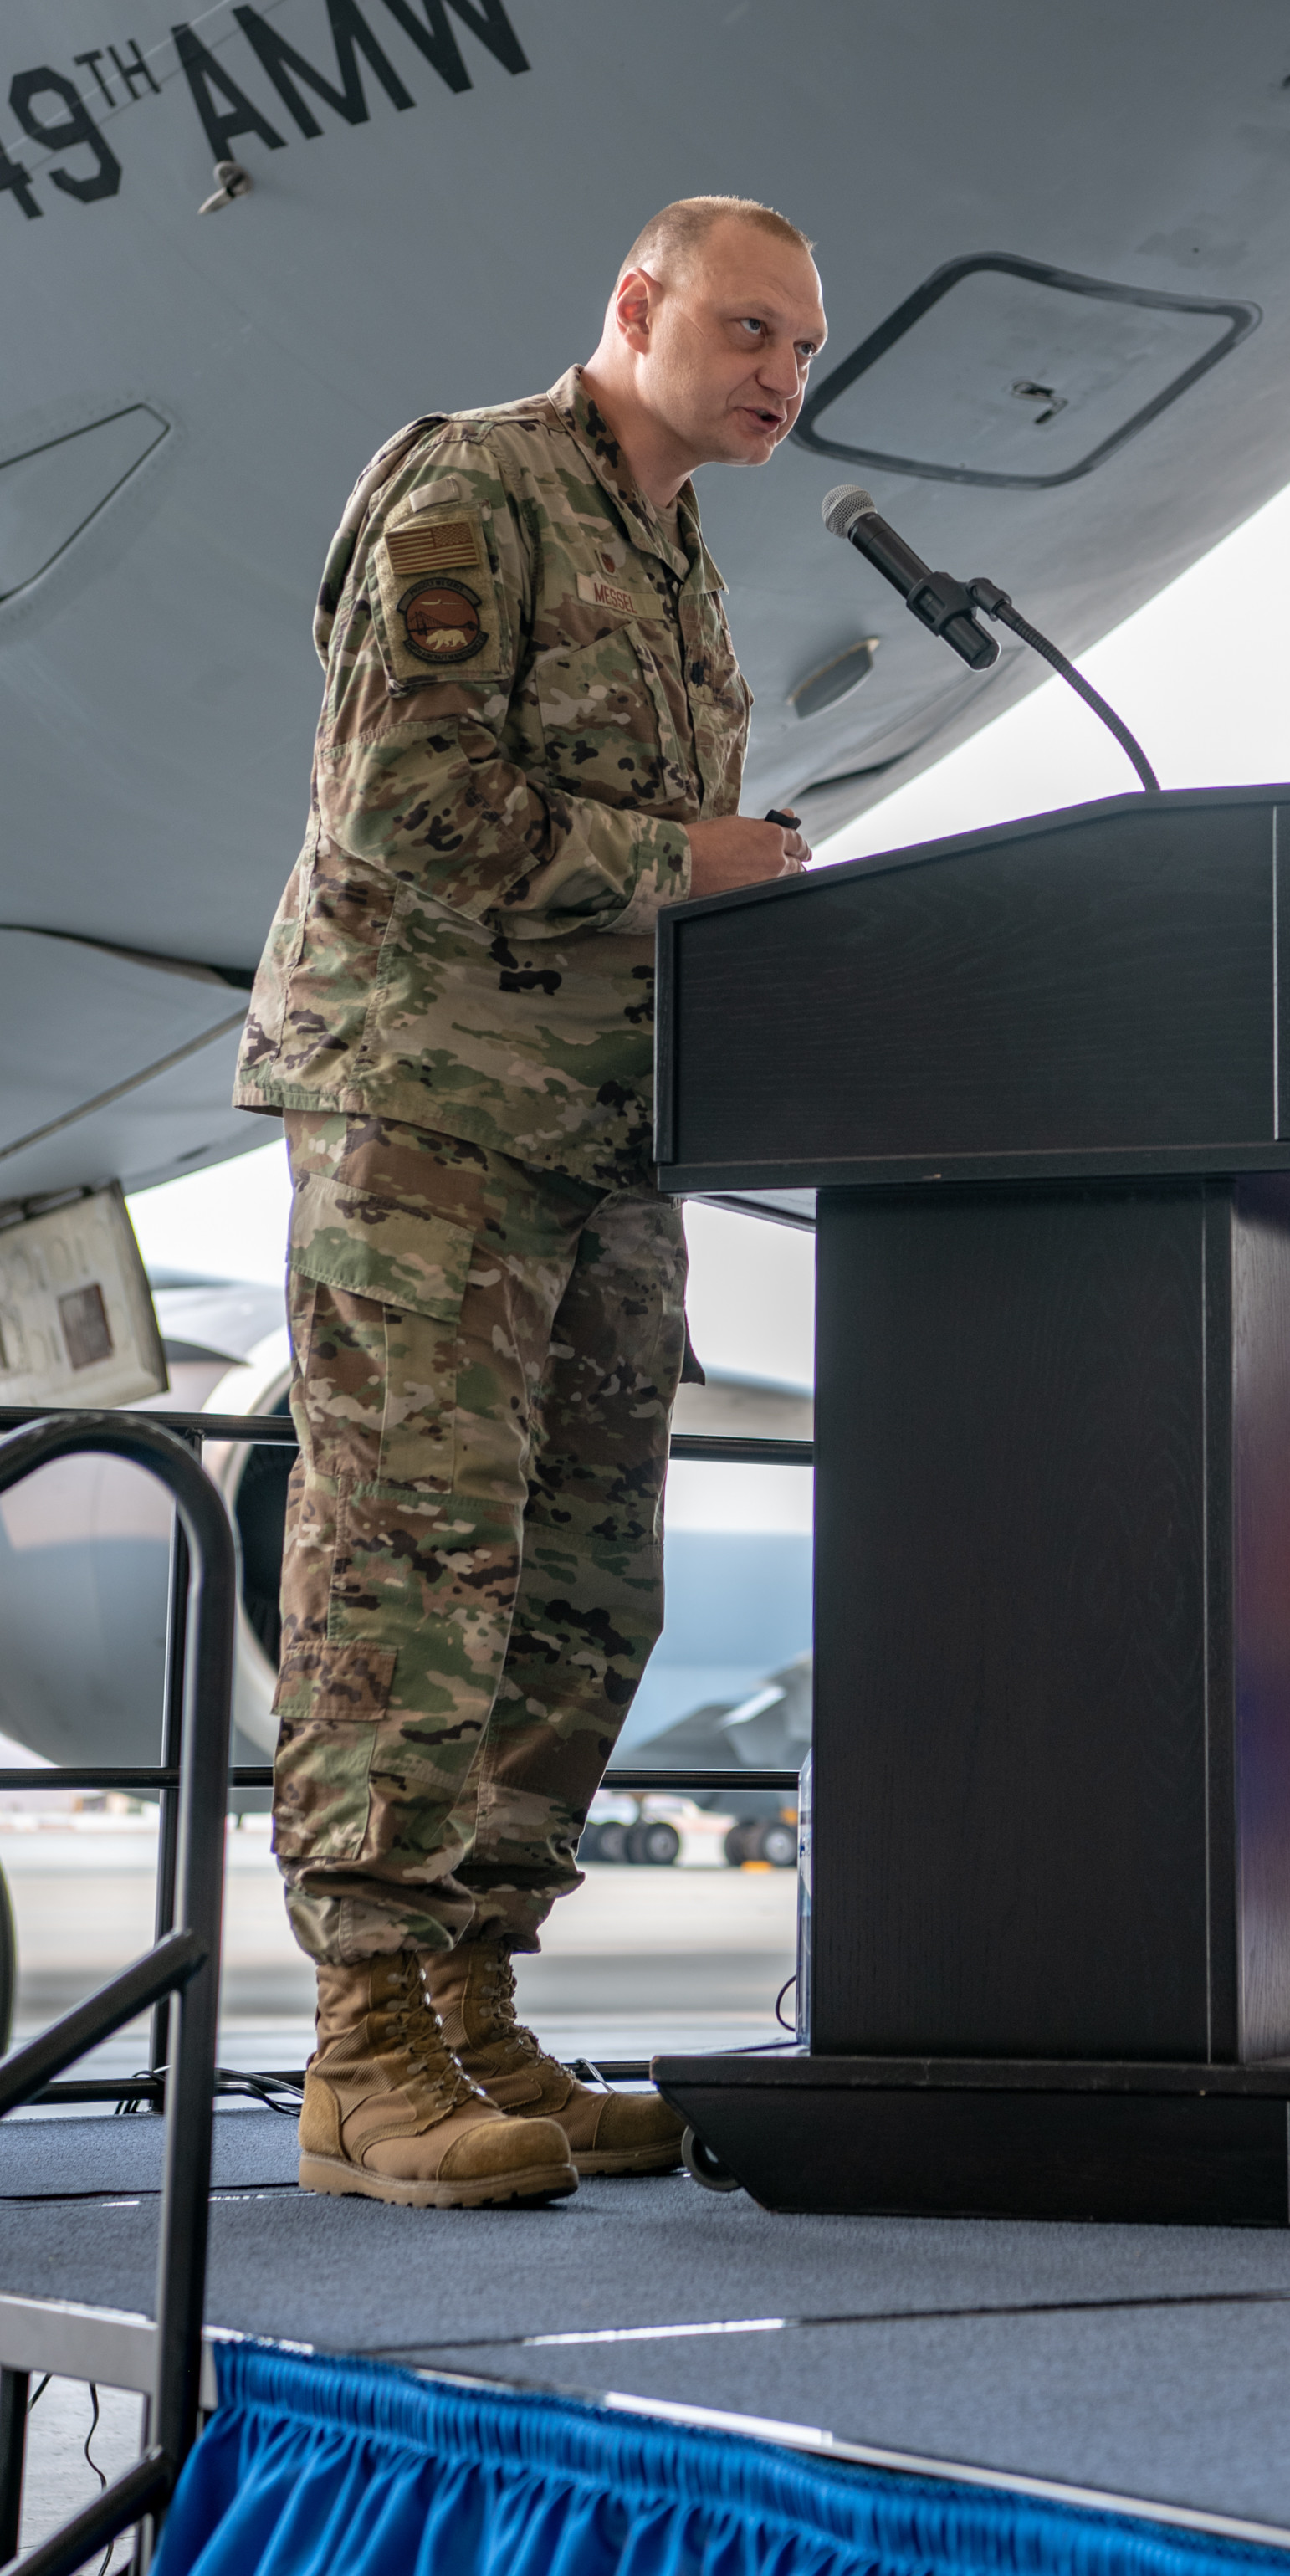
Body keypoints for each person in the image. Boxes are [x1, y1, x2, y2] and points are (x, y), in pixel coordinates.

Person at [233, 197, 824, 2205]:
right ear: (637, 307)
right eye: (747, 329)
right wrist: (691, 860)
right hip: (426, 1121)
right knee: (410, 1574)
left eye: (804, 349)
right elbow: (397, 812)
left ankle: (475, 2000)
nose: (779, 375)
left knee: (583, 1588)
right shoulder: (468, 487)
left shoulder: (676, 560)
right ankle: (366, 2048)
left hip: (602, 1141)